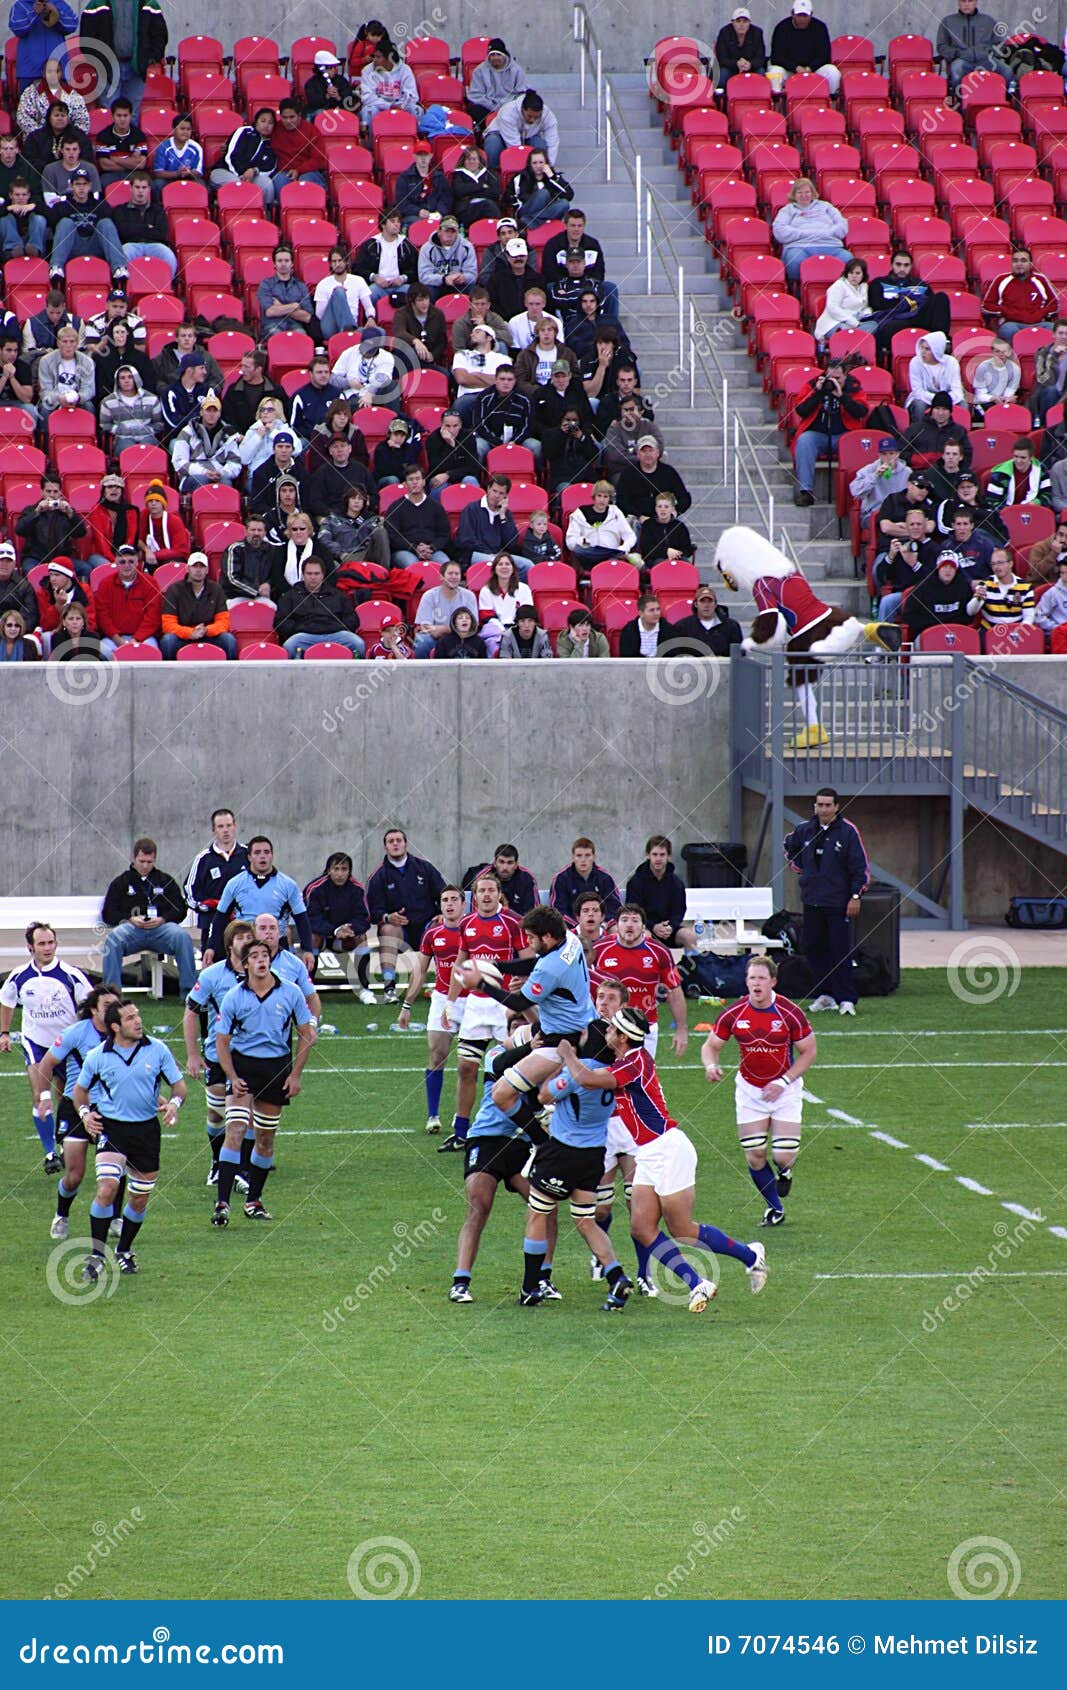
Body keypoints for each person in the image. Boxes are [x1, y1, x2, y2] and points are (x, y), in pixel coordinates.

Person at [560, 1007, 768, 1309]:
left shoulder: (635, 1062)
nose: (606, 1032)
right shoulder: (626, 1061)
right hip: (648, 1153)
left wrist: (567, 1054)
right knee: (641, 1228)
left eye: (611, 1029)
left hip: (669, 1150)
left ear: (621, 1036)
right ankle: (699, 1284)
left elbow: (587, 1079)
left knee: (682, 1229)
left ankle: (751, 1255)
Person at [448, 1011, 559, 1304]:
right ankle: (461, 1281)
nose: (520, 1029)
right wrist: (528, 1049)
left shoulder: (544, 1058)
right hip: (487, 1138)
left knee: (546, 1206)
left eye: (526, 1026)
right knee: (479, 1206)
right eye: (515, 1027)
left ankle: (542, 1278)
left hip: (522, 1142)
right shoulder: (498, 1053)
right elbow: (501, 1065)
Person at [72, 998, 185, 1280]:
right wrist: (85, 1115)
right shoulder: (98, 1055)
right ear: (115, 1026)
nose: (138, 1021)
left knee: (138, 1200)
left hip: (146, 1132)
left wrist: (174, 1104)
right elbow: (80, 1092)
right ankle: (97, 1255)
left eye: (138, 1015)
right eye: (130, 1018)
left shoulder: (157, 1049)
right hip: (112, 1130)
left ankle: (123, 1250)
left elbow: (180, 1087)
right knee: (107, 1189)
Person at [703, 955, 817, 1226]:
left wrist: (784, 1082)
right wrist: (710, 1065)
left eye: (761, 978)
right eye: (752, 978)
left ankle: (785, 1172)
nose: (756, 984)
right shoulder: (734, 1013)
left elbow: (809, 1051)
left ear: (773, 982)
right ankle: (774, 1208)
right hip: (750, 1091)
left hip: (784, 1091)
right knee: (755, 1155)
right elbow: (710, 1046)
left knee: (783, 1155)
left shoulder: (790, 1012)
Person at [213, 940, 314, 1226]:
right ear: (244, 964)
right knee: (234, 1128)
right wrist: (232, 1076)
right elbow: (222, 1041)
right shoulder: (234, 996)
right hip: (243, 1066)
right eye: (254, 956)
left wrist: (295, 1075)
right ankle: (221, 1202)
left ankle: (253, 1200)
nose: (261, 960)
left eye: (265, 955)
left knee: (265, 1140)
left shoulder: (291, 992)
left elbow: (307, 1034)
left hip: (275, 1069)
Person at [437, 872, 526, 1153]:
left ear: (499, 893)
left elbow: (528, 961)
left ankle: (517, 1127)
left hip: (504, 1004)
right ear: (474, 896)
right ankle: (461, 1132)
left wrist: (520, 984)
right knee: (465, 1068)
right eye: (481, 891)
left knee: (513, 1068)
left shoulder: (513, 922)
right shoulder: (467, 924)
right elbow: (460, 966)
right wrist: (450, 1003)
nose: (486, 895)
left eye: (491, 890)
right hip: (475, 1005)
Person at [0, 920, 91, 1175]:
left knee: (66, 1098)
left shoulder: (72, 975)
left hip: (68, 1046)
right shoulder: (19, 976)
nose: (47, 948)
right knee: (41, 1095)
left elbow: (90, 1005)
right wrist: (4, 1033)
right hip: (36, 1044)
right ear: (31, 947)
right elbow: (6, 1001)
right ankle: (50, 1152)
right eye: (42, 943)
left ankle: (65, 1144)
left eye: (51, 942)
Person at [39, 986, 121, 1238]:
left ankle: (116, 1218)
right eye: (107, 1006)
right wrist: (44, 1098)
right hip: (75, 1109)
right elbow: (47, 1064)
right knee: (74, 1174)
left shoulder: (124, 1034)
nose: (113, 1011)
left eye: (115, 1006)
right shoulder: (76, 1033)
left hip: (110, 1109)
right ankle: (62, 1214)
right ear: (94, 1010)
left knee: (116, 1168)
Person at [784, 788, 869, 1016]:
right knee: (812, 947)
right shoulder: (805, 830)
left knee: (839, 950)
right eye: (819, 805)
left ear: (836, 806)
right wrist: (801, 868)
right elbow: (789, 847)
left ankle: (846, 998)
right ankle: (825, 994)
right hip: (812, 901)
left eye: (827, 805)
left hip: (838, 902)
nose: (823, 809)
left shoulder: (848, 832)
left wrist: (855, 896)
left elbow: (860, 868)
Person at [183, 919, 255, 1190]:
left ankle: (242, 1170)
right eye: (240, 938)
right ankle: (217, 1162)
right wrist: (192, 1055)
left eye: (250, 936)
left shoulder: (261, 973)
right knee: (216, 1115)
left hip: (249, 1056)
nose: (246, 941)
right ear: (229, 945)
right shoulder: (212, 976)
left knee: (244, 1113)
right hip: (216, 1055)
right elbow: (191, 1012)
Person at [397, 883, 467, 1133]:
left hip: (474, 1000)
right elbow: (419, 971)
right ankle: (433, 1115)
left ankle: (468, 1118)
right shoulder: (432, 934)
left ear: (463, 904)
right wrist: (407, 1005)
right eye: (445, 900)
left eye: (453, 900)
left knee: (471, 1062)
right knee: (437, 1054)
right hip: (442, 999)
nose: (449, 904)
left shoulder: (473, 929)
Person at [100, 837, 196, 1006]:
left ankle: (190, 995)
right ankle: (113, 996)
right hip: (132, 931)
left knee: (181, 936)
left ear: (155, 860)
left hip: (160, 930)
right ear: (133, 858)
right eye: (141, 861)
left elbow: (180, 909)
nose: (145, 866)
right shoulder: (121, 882)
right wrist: (129, 918)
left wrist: (163, 919)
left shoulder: (165, 881)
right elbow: (108, 913)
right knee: (113, 940)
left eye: (149, 862)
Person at [593, 903, 687, 1060]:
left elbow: (675, 992)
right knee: (603, 1078)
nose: (629, 924)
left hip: (644, 1027)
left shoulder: (659, 952)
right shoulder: (600, 949)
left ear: (644, 927)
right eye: (624, 920)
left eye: (635, 920)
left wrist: (681, 1029)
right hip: (607, 1027)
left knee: (640, 1080)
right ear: (616, 925)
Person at [366, 828, 446, 1004]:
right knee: (387, 929)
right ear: (385, 847)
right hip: (400, 930)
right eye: (391, 841)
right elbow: (372, 912)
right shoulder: (378, 876)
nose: (395, 844)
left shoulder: (424, 868)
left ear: (406, 844)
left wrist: (442, 914)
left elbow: (444, 894)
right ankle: (389, 988)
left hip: (426, 925)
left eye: (399, 840)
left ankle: (443, 987)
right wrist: (388, 917)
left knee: (442, 928)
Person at [210, 836, 315, 966]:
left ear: (272, 855)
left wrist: (308, 949)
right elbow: (220, 917)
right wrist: (211, 947)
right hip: (245, 946)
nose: (262, 856)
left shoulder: (288, 885)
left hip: (277, 947)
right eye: (257, 852)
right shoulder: (234, 884)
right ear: (249, 857)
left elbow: (301, 919)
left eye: (267, 852)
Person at [790, 356, 869, 506]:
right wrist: (817, 393)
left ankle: (853, 493)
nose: (833, 381)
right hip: (818, 434)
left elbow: (861, 412)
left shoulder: (854, 386)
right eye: (829, 377)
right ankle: (805, 492)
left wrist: (842, 396)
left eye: (837, 378)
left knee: (854, 444)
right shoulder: (814, 384)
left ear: (846, 375)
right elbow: (801, 410)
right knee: (804, 441)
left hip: (844, 434)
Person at [77, 0, 169, 116]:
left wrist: (150, 58)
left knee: (132, 116)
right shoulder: (97, 3)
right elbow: (86, 39)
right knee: (109, 115)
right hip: (108, 70)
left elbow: (160, 34)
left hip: (136, 68)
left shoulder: (148, 3)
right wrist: (100, 62)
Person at [304, 853, 373, 1001]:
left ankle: (364, 989)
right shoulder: (315, 888)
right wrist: (334, 931)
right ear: (329, 870)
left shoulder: (357, 890)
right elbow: (310, 919)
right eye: (336, 869)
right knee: (312, 937)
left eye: (344, 869)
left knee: (362, 938)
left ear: (349, 871)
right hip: (322, 936)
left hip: (345, 938)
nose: (340, 873)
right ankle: (307, 988)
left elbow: (365, 918)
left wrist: (350, 928)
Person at [860, 249, 952, 356]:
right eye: (898, 264)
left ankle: (941, 339)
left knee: (941, 297)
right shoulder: (879, 283)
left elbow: (930, 305)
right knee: (889, 327)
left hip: (918, 317)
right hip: (895, 319)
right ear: (892, 265)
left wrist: (901, 300)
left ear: (911, 266)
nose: (902, 268)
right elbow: (877, 305)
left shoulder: (920, 284)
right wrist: (907, 302)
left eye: (906, 265)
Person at [273, 555, 365, 659]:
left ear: (323, 575)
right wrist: (299, 628)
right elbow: (280, 622)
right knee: (289, 646)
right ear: (303, 575)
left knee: (358, 644)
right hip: (304, 636)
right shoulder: (290, 596)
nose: (313, 577)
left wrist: (338, 627)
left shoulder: (338, 595)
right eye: (309, 574)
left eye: (316, 574)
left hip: (336, 634)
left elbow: (352, 619)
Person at [185, 809, 249, 959]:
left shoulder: (248, 854)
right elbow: (190, 893)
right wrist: (210, 905)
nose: (225, 830)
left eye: (228, 825)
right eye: (220, 827)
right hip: (212, 925)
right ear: (213, 830)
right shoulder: (203, 859)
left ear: (235, 826)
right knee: (214, 969)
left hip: (244, 924)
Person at [47, 166, 128, 283]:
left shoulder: (101, 205)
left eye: (84, 184)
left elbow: (111, 230)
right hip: (72, 246)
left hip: (95, 245)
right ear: (71, 186)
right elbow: (50, 223)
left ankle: (119, 267)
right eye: (78, 184)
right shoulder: (62, 206)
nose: (81, 188)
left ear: (90, 186)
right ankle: (56, 267)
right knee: (66, 222)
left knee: (106, 223)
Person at [623, 835, 698, 950]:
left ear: (669, 856)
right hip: (645, 928)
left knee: (690, 937)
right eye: (655, 854)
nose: (658, 859)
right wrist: (653, 927)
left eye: (662, 855)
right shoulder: (636, 881)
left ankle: (690, 967)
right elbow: (633, 912)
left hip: (669, 930)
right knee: (645, 937)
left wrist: (671, 927)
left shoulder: (676, 882)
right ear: (648, 855)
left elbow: (679, 910)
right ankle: (648, 968)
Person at [772, 177, 851, 282]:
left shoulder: (826, 206)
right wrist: (806, 234)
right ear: (794, 195)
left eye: (807, 192)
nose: (804, 196)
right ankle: (799, 291)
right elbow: (779, 231)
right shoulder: (787, 210)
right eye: (800, 192)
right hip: (800, 246)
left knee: (848, 259)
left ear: (812, 193)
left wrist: (827, 233)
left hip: (830, 245)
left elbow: (842, 226)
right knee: (794, 261)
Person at [160, 552, 235, 659]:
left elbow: (224, 622)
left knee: (229, 640)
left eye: (202, 566)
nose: (198, 570)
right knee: (168, 641)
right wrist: (190, 633)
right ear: (187, 568)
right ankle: (169, 674)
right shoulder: (174, 590)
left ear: (207, 570)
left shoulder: (216, 589)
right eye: (194, 566)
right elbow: (168, 625)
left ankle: (230, 674)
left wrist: (206, 630)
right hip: (183, 636)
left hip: (208, 635)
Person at [982, 248, 1058, 344]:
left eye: (1023, 260)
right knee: (1009, 330)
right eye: (1015, 261)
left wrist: (1040, 313)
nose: (1019, 264)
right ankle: (1015, 358)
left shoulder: (1040, 280)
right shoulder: (1001, 280)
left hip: (1039, 323)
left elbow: (1054, 304)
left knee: (1053, 329)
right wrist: (1007, 312)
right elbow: (987, 306)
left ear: (1031, 264)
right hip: (1012, 323)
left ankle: (1048, 358)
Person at [93, 547, 162, 654]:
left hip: (144, 638)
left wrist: (136, 639)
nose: (127, 565)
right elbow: (103, 615)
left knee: (152, 652)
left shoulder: (150, 583)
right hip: (114, 639)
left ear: (137, 563)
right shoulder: (105, 584)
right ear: (116, 563)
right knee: (101, 650)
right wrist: (117, 639)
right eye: (122, 562)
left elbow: (153, 616)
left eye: (131, 561)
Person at [384, 463, 452, 571]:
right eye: (411, 480)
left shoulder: (435, 506)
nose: (415, 482)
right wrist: (414, 548)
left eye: (418, 479)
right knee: (413, 565)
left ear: (424, 482)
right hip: (405, 551)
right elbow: (392, 535)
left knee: (446, 566)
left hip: (432, 550)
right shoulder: (396, 507)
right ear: (405, 484)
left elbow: (444, 533)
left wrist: (431, 548)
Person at [111, 166, 175, 276]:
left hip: (154, 245)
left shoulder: (158, 210)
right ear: (131, 188)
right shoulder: (120, 210)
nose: (140, 191)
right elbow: (122, 233)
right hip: (131, 245)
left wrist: (134, 228)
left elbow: (161, 234)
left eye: (144, 187)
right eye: (137, 187)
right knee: (123, 253)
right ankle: (124, 287)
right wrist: (147, 227)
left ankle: (168, 285)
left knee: (168, 254)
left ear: (149, 189)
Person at [15, 471, 86, 569]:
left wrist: (71, 514)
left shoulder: (66, 511)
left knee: (85, 569)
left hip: (61, 559)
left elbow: (81, 533)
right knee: (30, 570)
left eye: (55, 491)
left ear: (60, 493)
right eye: (48, 491)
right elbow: (19, 530)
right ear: (42, 492)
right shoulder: (31, 509)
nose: (52, 495)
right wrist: (37, 512)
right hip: (35, 558)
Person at [936, 0, 1011, 91]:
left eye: (970, 1)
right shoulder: (947, 21)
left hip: (986, 60)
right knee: (956, 71)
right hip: (962, 60)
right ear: (958, 2)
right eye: (963, 1)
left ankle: (1004, 99)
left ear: (976, 2)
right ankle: (959, 102)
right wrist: (957, 54)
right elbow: (941, 46)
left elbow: (999, 44)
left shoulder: (988, 20)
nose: (966, 4)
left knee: (1007, 70)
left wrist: (988, 53)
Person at [615, 436, 693, 522]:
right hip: (636, 519)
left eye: (651, 450)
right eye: (643, 451)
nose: (648, 454)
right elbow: (621, 501)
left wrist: (674, 512)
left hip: (663, 520)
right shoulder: (628, 473)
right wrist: (639, 516)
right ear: (637, 454)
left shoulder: (669, 472)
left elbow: (685, 498)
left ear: (658, 453)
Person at [316, 485, 391, 575]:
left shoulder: (373, 519)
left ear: (365, 502)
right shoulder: (332, 519)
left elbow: (381, 542)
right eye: (353, 498)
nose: (357, 502)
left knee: (381, 532)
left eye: (360, 499)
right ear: (347, 500)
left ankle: (384, 574)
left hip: (368, 555)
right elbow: (323, 539)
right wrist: (340, 553)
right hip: (345, 556)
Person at [900, 553, 981, 636]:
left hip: (956, 632)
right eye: (944, 566)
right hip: (928, 632)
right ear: (938, 568)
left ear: (956, 570)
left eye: (951, 567)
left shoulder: (964, 586)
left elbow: (968, 616)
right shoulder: (922, 587)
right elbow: (909, 615)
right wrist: (931, 627)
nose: (948, 570)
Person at [768, 1, 840, 94]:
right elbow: (776, 57)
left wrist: (809, 68)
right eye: (799, 15)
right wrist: (795, 68)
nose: (802, 19)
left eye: (805, 16)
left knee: (832, 72)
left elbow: (825, 55)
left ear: (811, 15)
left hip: (813, 69)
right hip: (789, 69)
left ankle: (832, 103)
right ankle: (777, 106)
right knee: (775, 72)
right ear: (792, 14)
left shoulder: (820, 27)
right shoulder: (781, 28)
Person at [351, 209, 418, 307]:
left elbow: (415, 270)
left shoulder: (407, 245)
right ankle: (370, 320)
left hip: (401, 286)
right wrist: (374, 277)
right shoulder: (370, 245)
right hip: (378, 286)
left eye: (398, 222)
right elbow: (358, 268)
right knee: (368, 294)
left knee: (415, 294)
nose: (397, 224)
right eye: (392, 221)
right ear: (383, 225)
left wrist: (403, 278)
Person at [212, 107, 277, 204]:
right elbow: (230, 157)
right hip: (225, 170)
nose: (266, 125)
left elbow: (270, 167)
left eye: (270, 123)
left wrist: (254, 171)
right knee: (237, 185)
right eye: (263, 121)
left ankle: (266, 214)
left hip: (251, 176)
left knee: (267, 184)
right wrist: (242, 175)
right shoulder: (244, 132)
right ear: (256, 121)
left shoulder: (272, 144)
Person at [484, 89, 559, 170]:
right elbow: (514, 145)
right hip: (501, 136)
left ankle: (540, 174)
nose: (532, 120)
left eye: (536, 117)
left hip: (529, 137)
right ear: (522, 109)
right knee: (493, 143)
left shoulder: (548, 116)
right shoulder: (507, 112)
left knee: (539, 144)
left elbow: (552, 142)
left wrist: (549, 166)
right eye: (529, 116)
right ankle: (493, 173)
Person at [550, 838, 621, 924]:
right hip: (571, 927)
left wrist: (603, 924)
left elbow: (614, 907)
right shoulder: (561, 878)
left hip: (601, 926)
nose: (583, 860)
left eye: (587, 855)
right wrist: (578, 926)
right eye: (579, 856)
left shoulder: (605, 878)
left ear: (594, 857)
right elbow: (558, 911)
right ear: (573, 857)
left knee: (615, 928)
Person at [10, 4, 77, 92]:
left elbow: (72, 25)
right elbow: (17, 28)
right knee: (27, 104)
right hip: (30, 72)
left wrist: (56, 13)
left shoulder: (59, 3)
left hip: (57, 70)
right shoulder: (21, 5)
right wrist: (34, 13)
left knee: (59, 104)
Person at [312, 247, 375, 342]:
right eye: (334, 261)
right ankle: (349, 330)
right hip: (330, 326)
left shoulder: (358, 280)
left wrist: (370, 318)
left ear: (346, 262)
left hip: (354, 323)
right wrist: (336, 299)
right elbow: (320, 314)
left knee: (380, 332)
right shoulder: (323, 283)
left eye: (340, 260)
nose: (337, 264)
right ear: (330, 263)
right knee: (339, 292)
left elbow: (368, 306)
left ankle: (349, 330)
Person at [456, 477, 520, 569]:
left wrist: (502, 516)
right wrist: (489, 553)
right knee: (500, 564)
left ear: (506, 496)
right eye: (494, 491)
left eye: (501, 493)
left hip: (500, 557)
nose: (497, 496)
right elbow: (466, 539)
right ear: (488, 488)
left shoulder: (506, 513)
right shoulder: (471, 509)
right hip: (475, 554)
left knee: (527, 565)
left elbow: (511, 543)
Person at [223, 516, 286, 607]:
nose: (256, 533)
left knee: (272, 608)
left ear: (265, 533)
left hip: (263, 598)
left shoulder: (273, 550)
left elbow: (276, 575)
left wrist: (269, 584)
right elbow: (232, 579)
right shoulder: (235, 549)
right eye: (253, 530)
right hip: (236, 597)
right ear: (246, 531)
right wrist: (256, 590)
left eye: (260, 530)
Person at [475, 552, 532, 652]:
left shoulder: (524, 588)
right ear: (495, 569)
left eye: (507, 564)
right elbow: (486, 616)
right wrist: (502, 630)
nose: (504, 567)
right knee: (493, 640)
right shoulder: (486, 590)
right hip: (495, 629)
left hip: (518, 627)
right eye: (500, 564)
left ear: (513, 568)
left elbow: (527, 613)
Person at [971, 546, 1036, 631]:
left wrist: (1018, 633)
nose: (996, 567)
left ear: (1011, 564)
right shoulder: (985, 584)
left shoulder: (1026, 587)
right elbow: (971, 611)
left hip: (1015, 632)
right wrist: (978, 599)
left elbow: (1029, 617)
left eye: (1000, 563)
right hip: (990, 631)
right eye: (993, 564)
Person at [466, 37, 526, 130]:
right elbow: (476, 95)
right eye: (492, 55)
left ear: (504, 55)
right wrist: (493, 107)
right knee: (473, 110)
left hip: (510, 107)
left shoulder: (517, 70)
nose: (495, 58)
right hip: (488, 107)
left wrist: (505, 106)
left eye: (498, 54)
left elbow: (521, 93)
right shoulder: (479, 71)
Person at [506, 147, 572, 231]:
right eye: (534, 163)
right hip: (526, 208)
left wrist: (552, 177)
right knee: (543, 194)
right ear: (530, 164)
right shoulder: (521, 177)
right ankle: (530, 219)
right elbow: (509, 196)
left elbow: (569, 195)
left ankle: (527, 221)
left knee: (564, 204)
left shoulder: (554, 177)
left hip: (548, 209)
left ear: (546, 163)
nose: (538, 166)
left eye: (541, 162)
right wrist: (517, 204)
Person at [257, 244, 313, 341]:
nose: (283, 264)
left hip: (295, 325)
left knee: (301, 335)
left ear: (292, 264)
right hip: (271, 326)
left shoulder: (301, 286)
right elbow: (270, 312)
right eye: (279, 261)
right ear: (274, 264)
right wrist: (294, 306)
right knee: (277, 335)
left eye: (286, 261)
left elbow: (307, 317)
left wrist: (280, 307)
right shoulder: (266, 284)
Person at [270, 96, 327, 193]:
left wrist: (299, 170)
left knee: (305, 180)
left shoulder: (311, 130)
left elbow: (319, 159)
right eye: (284, 117)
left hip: (309, 172)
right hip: (283, 173)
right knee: (279, 180)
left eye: (292, 117)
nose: (288, 121)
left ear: (299, 115)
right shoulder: (275, 129)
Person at [37, 320, 95, 414]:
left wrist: (78, 398)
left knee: (89, 406)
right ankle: (45, 429)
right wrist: (58, 398)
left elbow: (89, 389)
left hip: (77, 399)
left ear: (77, 343)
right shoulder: (46, 361)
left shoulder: (87, 362)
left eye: (72, 342)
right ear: (58, 343)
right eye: (65, 341)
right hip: (55, 399)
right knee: (45, 408)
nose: (68, 345)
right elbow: (45, 390)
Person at [850, 437, 911, 525]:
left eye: (891, 453)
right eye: (884, 454)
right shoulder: (869, 470)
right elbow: (855, 492)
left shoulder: (907, 472)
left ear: (897, 454)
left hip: (899, 512)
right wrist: (875, 476)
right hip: (874, 512)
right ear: (879, 455)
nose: (888, 457)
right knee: (885, 524)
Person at [95, 96, 150, 190]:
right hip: (110, 175)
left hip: (134, 174)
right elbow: (104, 165)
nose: (122, 119)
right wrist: (131, 162)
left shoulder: (139, 135)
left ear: (131, 115)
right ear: (112, 116)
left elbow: (141, 164)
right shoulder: (103, 136)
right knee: (101, 183)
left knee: (148, 184)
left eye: (125, 115)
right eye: (119, 115)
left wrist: (115, 159)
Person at [359, 40, 419, 125]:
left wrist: (401, 106)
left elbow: (412, 95)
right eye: (374, 56)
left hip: (401, 106)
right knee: (369, 111)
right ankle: (371, 138)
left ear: (389, 59)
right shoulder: (367, 71)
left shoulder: (405, 70)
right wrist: (389, 106)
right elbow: (367, 98)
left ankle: (414, 137)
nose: (374, 60)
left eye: (378, 57)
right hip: (378, 106)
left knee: (417, 110)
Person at [907, 332, 964, 419]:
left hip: (947, 397)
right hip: (923, 398)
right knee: (919, 405)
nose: (922, 352)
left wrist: (943, 400)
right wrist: (938, 399)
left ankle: (960, 431)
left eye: (927, 349)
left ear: (937, 350)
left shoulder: (952, 362)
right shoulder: (915, 362)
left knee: (963, 404)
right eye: (921, 347)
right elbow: (918, 392)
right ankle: (919, 431)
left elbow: (957, 391)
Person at [394, 139, 451, 227]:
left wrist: (439, 212)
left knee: (449, 224)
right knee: (419, 224)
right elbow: (401, 203)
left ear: (431, 156)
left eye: (426, 155)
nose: (423, 158)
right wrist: (418, 211)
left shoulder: (439, 177)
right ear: (414, 156)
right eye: (420, 155)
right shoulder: (404, 177)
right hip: (413, 216)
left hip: (436, 215)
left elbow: (446, 198)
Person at [985, 437, 1053, 508]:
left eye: (1023, 458)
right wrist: (1010, 511)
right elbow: (992, 501)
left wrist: (1037, 502)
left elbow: (1048, 494)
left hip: (1032, 510)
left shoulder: (1041, 470)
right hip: (1006, 513)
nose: (1018, 461)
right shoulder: (1000, 474)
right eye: (1016, 456)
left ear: (1031, 457)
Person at [714, 7, 768, 88]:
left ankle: (757, 98)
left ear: (749, 23)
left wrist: (750, 64)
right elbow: (722, 58)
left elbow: (760, 57)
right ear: (733, 23)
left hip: (750, 67)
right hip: (731, 67)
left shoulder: (757, 33)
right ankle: (724, 99)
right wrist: (736, 63)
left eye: (745, 21)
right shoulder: (724, 32)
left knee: (761, 72)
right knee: (722, 76)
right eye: (738, 21)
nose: (741, 25)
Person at [449, 144, 500, 228]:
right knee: (488, 206)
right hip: (466, 209)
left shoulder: (489, 174)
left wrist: (470, 192)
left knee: (489, 206)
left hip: (488, 205)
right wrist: (481, 186)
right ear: (464, 161)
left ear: (479, 160)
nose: (472, 162)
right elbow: (459, 191)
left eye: (474, 159)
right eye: (469, 159)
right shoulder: (458, 175)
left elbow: (495, 192)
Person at [151, 111, 204, 188]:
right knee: (157, 184)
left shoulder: (196, 147)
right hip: (168, 179)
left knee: (201, 184)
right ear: (173, 129)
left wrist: (189, 173)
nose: (185, 132)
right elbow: (158, 172)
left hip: (189, 179)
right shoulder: (163, 147)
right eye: (182, 129)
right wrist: (177, 174)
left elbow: (199, 172)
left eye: (188, 129)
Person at [972, 336, 1020, 419]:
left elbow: (1011, 390)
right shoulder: (983, 367)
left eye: (1004, 351)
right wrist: (993, 398)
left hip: (1005, 402)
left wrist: (1006, 399)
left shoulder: (1015, 369)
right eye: (997, 351)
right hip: (986, 402)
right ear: (992, 352)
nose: (1001, 355)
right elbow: (980, 394)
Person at [1031, 319, 1067, 425]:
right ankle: (1046, 426)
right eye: (1060, 333)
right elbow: (1043, 380)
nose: (1064, 336)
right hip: (1046, 393)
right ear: (1053, 335)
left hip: (1065, 394)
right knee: (1051, 391)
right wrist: (1054, 357)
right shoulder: (1042, 353)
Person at [302, 48, 355, 118]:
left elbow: (349, 98)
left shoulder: (341, 80)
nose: (334, 70)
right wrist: (327, 96)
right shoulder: (311, 83)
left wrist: (339, 97)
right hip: (319, 112)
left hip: (338, 110)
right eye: (330, 68)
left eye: (335, 67)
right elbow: (313, 102)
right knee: (320, 113)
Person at [0, 541, 39, 626]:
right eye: (1, 560)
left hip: (15, 632)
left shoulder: (25, 586)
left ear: (14, 564)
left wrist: (11, 629)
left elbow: (30, 616)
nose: (4, 564)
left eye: (8, 561)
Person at [618, 592, 669, 657]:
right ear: (641, 613)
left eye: (658, 609)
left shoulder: (668, 629)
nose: (656, 613)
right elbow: (625, 658)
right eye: (651, 610)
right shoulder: (628, 631)